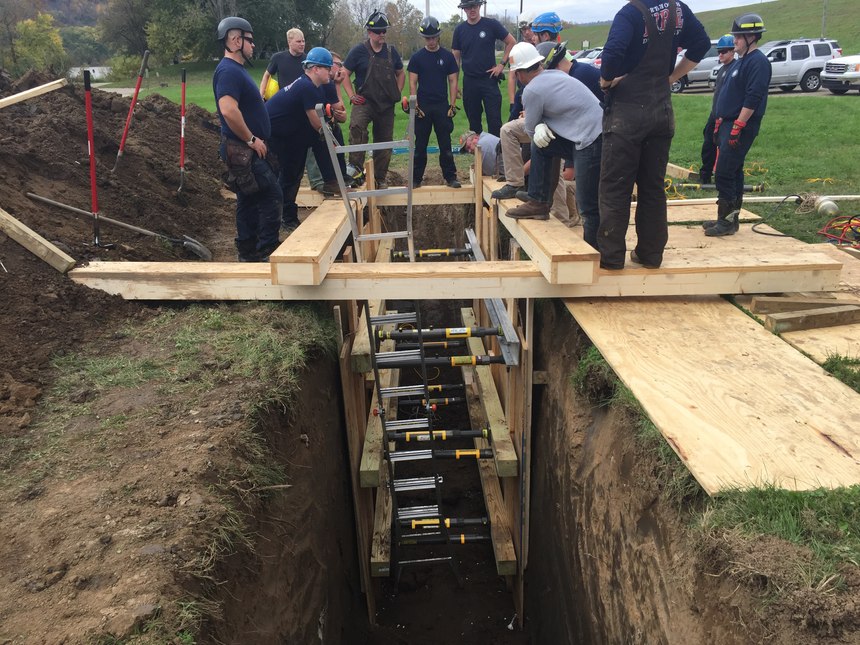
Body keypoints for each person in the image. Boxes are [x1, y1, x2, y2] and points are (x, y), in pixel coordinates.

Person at [597, 0, 710, 270]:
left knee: (615, 188)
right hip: (661, 112)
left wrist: (605, 80)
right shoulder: (678, 9)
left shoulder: (630, 13)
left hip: (626, 114)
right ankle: (651, 254)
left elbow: (612, 53)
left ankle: (611, 258)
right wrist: (671, 77)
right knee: (652, 187)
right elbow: (702, 43)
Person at [504, 42, 604, 249]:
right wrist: (542, 126)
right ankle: (539, 202)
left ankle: (595, 254)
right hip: (590, 133)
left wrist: (539, 126)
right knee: (544, 145)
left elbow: (531, 130)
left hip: (592, 140)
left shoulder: (532, 90)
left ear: (520, 73)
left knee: (588, 205)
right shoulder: (555, 75)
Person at [213, 16, 282, 263]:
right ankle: (266, 251)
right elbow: (229, 110)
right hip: (242, 148)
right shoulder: (229, 71)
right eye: (249, 40)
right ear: (234, 40)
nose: (253, 46)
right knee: (271, 195)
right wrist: (252, 139)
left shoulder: (235, 70)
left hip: (243, 148)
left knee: (249, 198)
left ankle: (248, 251)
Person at [705, 15, 771, 236]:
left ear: (751, 36)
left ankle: (726, 221)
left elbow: (753, 97)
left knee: (724, 172)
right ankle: (728, 219)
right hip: (727, 124)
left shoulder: (758, 62)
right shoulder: (741, 61)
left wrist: (738, 125)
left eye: (737, 37)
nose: (734, 41)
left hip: (740, 126)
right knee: (733, 171)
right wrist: (719, 122)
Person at [266, 47, 340, 236]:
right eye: (327, 68)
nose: (331, 71)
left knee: (294, 173)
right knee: (286, 176)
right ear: (315, 69)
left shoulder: (311, 85)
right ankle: (282, 219)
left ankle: (330, 181)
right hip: (274, 136)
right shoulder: (306, 87)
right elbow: (316, 122)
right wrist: (331, 139)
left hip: (290, 134)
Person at [341, 10, 405, 189]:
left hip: (386, 105)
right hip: (365, 102)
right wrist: (351, 96)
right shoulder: (358, 51)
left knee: (384, 141)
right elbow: (345, 73)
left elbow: (401, 73)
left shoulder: (392, 52)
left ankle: (380, 177)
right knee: (357, 129)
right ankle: (355, 171)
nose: (382, 34)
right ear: (370, 33)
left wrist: (397, 92)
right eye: (378, 31)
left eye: (384, 30)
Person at [407, 16, 461, 189]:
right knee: (420, 145)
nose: (431, 41)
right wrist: (415, 105)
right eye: (427, 38)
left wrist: (452, 104)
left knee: (445, 144)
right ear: (424, 38)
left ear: (438, 36)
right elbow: (412, 82)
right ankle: (416, 178)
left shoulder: (447, 57)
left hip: (441, 106)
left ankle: (450, 177)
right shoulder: (417, 58)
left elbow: (453, 81)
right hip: (423, 107)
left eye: (433, 37)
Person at [452, 0, 516, 137]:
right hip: (469, 81)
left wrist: (501, 64)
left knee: (494, 121)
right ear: (464, 9)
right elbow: (455, 58)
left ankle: (497, 155)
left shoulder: (491, 25)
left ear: (480, 6)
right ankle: (478, 156)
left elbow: (511, 42)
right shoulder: (459, 30)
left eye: (474, 6)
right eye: (468, 7)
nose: (472, 10)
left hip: (489, 79)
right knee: (474, 123)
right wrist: (455, 83)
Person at [698, 34, 735, 186]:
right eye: (719, 51)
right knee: (708, 143)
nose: (720, 54)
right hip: (715, 114)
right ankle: (705, 175)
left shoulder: (736, 69)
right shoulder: (721, 69)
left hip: (727, 117)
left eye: (724, 51)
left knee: (726, 148)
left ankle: (725, 177)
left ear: (733, 51)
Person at [259, 28, 306, 96]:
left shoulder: (308, 60)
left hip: (303, 101)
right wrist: (261, 95)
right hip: (284, 100)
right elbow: (266, 76)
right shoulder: (278, 58)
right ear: (289, 42)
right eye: (298, 41)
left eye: (303, 41)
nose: (302, 44)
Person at [507, 12, 536, 120]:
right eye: (524, 29)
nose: (527, 32)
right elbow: (512, 76)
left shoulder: (542, 47)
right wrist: (512, 101)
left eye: (530, 28)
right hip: (523, 93)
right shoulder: (516, 50)